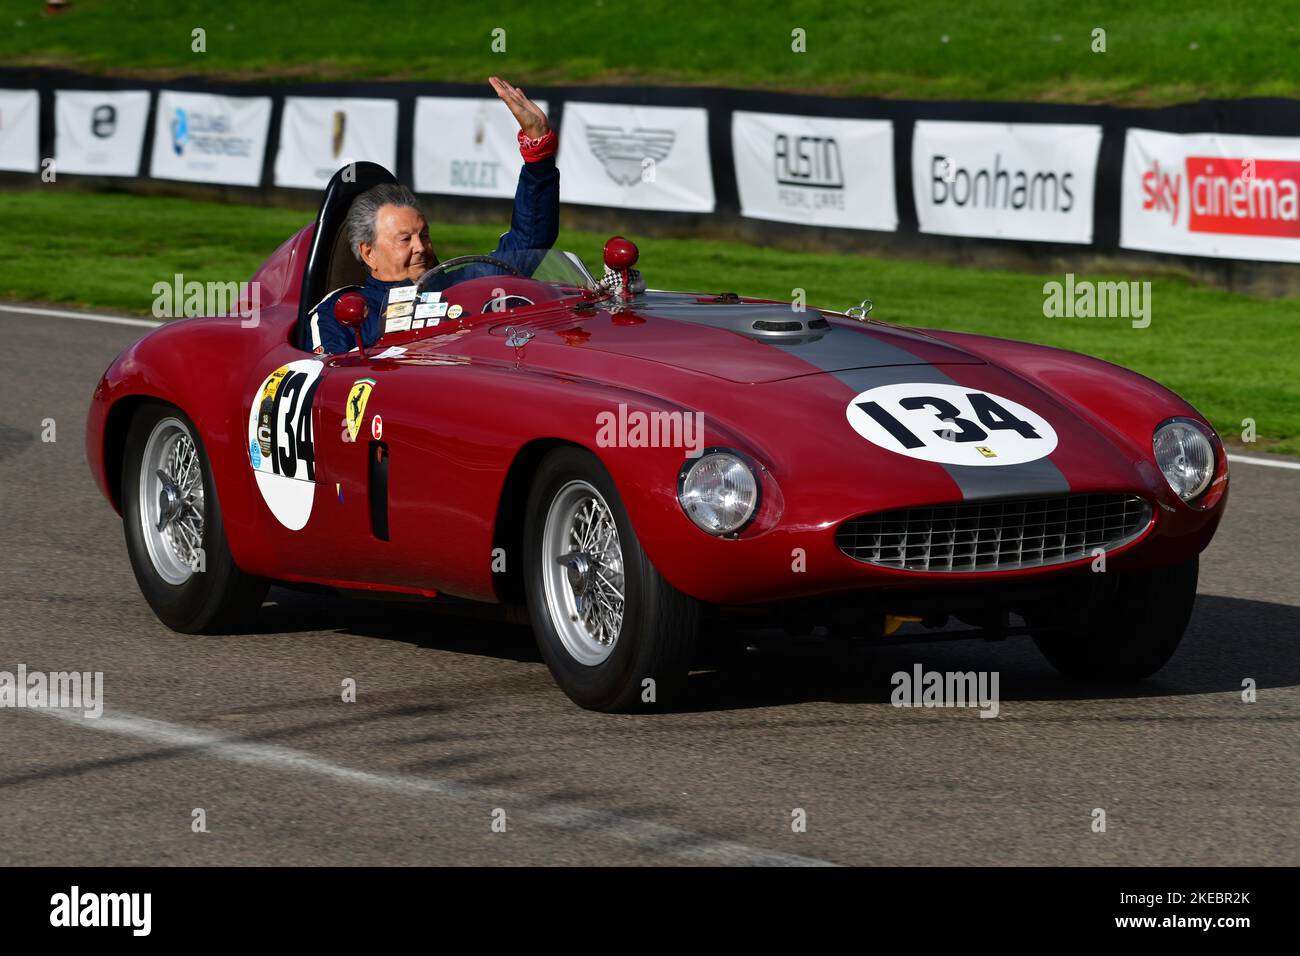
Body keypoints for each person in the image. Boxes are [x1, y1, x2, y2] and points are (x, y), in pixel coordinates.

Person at [308, 76, 558, 354]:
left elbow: (529, 242)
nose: (421, 248)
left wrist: (538, 151)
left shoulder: (460, 284)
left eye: (423, 235)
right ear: (369, 253)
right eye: (405, 239)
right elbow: (330, 377)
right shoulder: (342, 310)